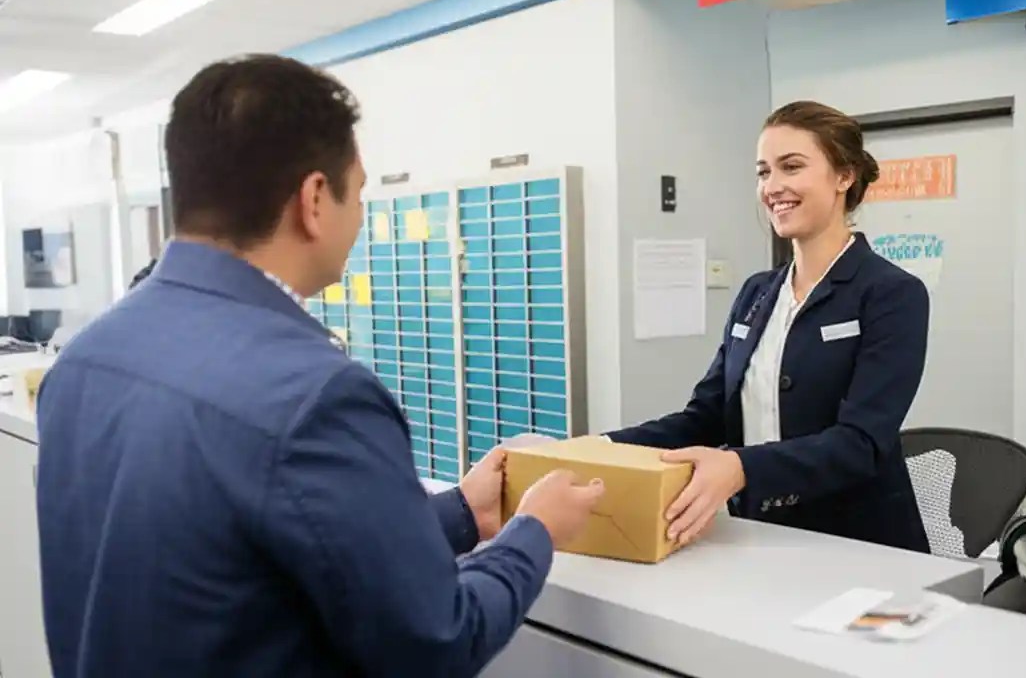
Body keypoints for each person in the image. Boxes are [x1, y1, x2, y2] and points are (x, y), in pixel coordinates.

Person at [35, 54, 604, 678]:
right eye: (358, 193)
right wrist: (534, 532)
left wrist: (464, 513)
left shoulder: (86, 359)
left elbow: (249, 560)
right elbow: (436, 642)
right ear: (313, 199)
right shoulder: (314, 394)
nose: (360, 216)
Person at [607, 100, 930, 552]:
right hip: (756, 534)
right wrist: (602, 448)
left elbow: (860, 444)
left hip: (858, 545)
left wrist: (739, 468)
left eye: (791, 167)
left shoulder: (891, 293)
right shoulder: (756, 294)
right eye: (763, 172)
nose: (773, 187)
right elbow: (707, 416)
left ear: (844, 176)